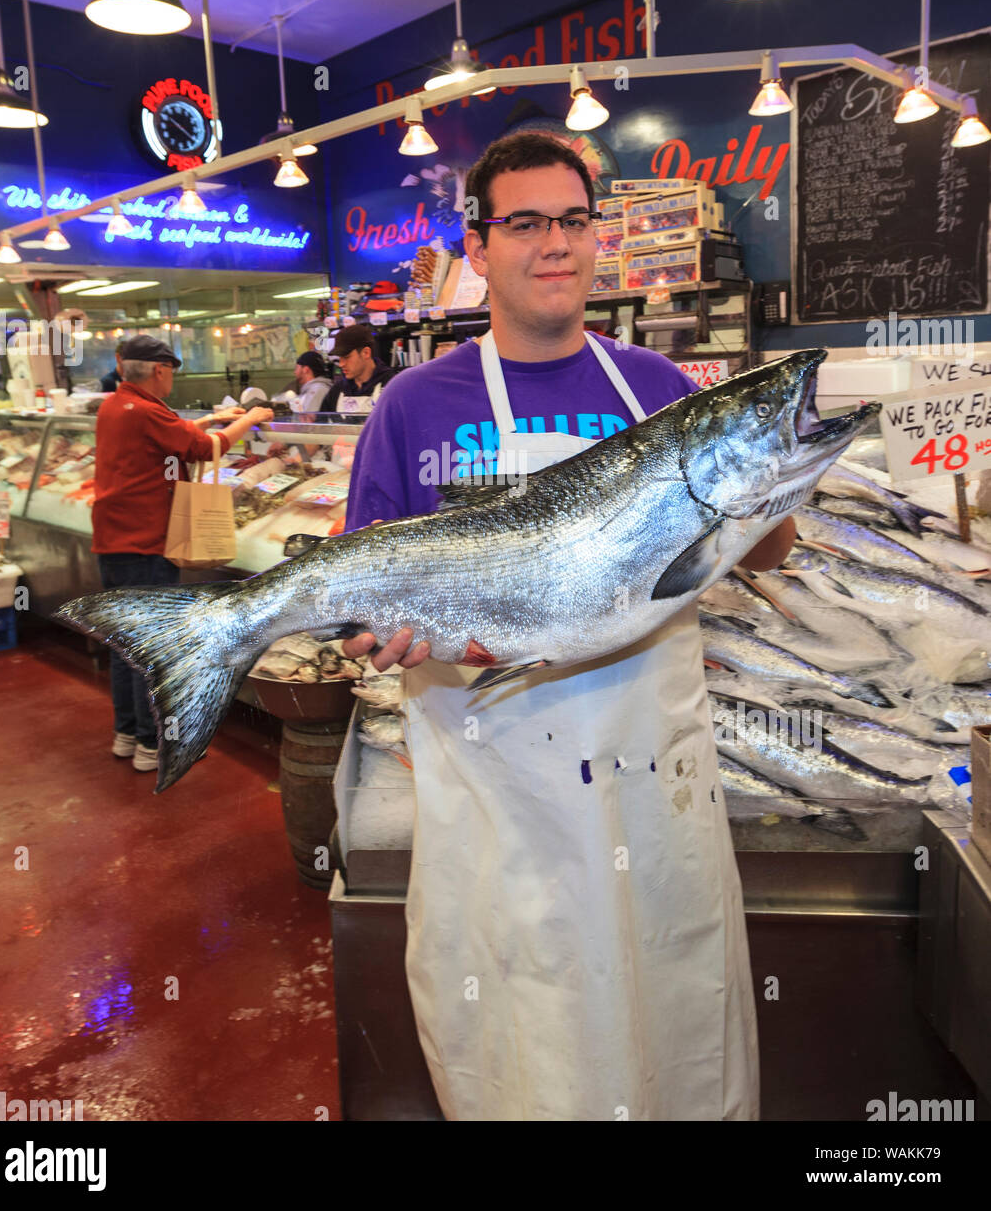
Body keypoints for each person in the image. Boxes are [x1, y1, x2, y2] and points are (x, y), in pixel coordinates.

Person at [340, 131, 795, 1122]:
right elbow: (362, 596)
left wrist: (772, 475)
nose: (556, 244)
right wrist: (377, 636)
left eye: (575, 221)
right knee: (522, 1031)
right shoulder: (412, 405)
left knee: (668, 1011)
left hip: (649, 791)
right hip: (498, 800)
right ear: (479, 242)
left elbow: (765, 557)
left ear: (599, 238)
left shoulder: (660, 392)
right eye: (527, 223)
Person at [91, 334, 272, 772]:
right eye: (170, 369)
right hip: (145, 544)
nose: (170, 376)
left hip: (112, 541)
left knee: (122, 643)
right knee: (154, 648)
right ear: (159, 370)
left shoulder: (115, 405)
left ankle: (127, 734)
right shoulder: (146, 411)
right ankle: (154, 745)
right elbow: (203, 449)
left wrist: (214, 417)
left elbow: (174, 435)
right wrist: (250, 419)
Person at [319, 323, 395, 415]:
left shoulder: (392, 386)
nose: (341, 364)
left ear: (366, 353)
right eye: (340, 358)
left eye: (346, 357)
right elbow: (323, 424)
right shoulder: (337, 390)